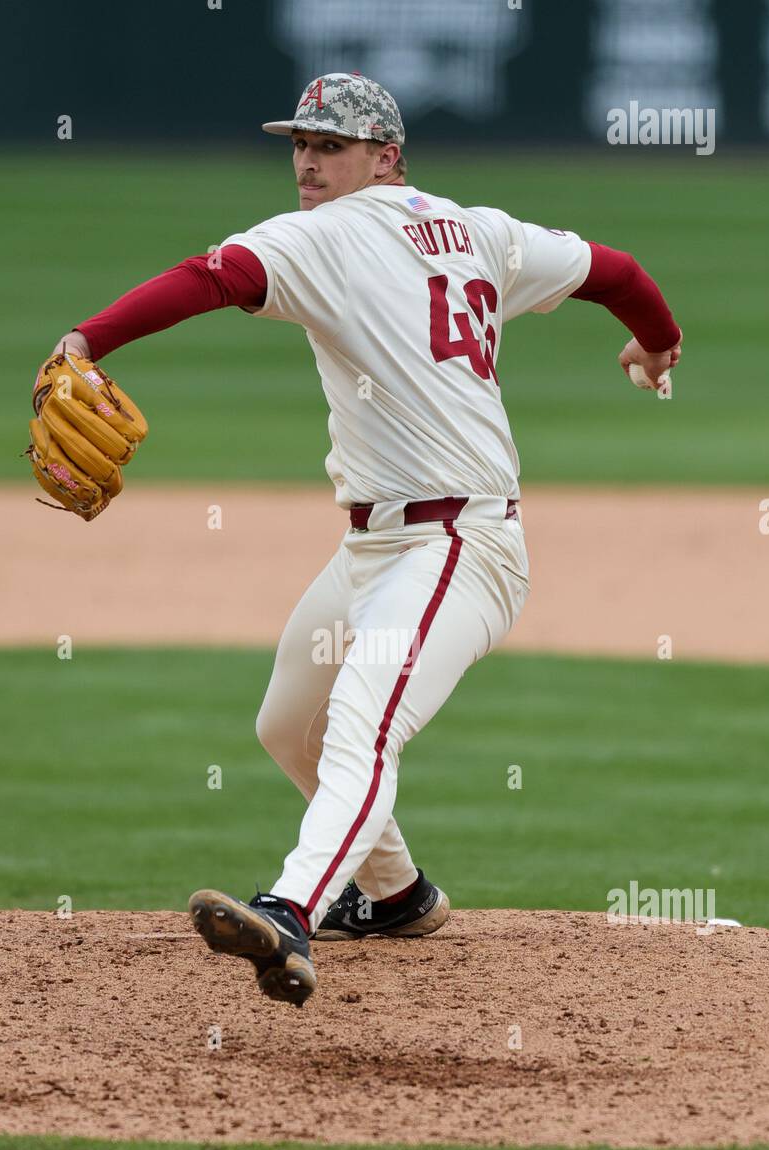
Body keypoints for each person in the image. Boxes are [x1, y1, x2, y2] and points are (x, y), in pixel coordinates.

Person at [50, 73, 682, 1008]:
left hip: (458, 547)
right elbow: (617, 273)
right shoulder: (482, 229)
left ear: (385, 156)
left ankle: (293, 909)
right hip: (374, 550)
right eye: (301, 143)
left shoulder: (325, 233)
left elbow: (210, 279)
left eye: (330, 146)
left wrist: (84, 340)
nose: (308, 161)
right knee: (285, 724)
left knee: (361, 724)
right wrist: (657, 345)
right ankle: (396, 897)